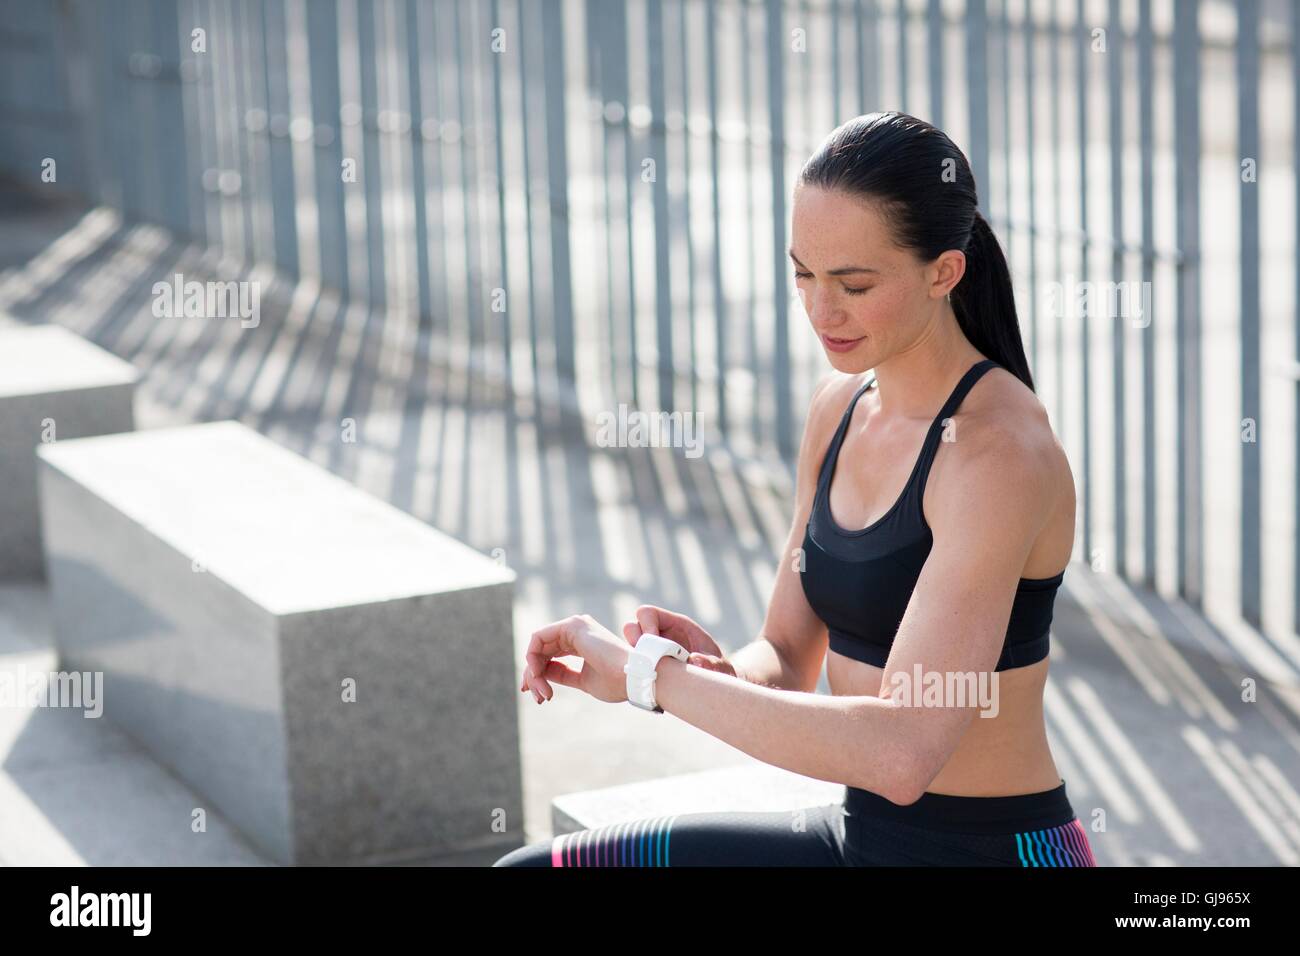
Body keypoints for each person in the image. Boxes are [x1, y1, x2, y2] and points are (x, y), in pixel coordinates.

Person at [494, 111, 1096, 867]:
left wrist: (656, 681)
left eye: (853, 284)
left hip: (993, 853)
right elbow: (785, 652)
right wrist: (713, 671)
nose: (820, 311)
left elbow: (901, 752)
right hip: (857, 838)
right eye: (803, 274)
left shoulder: (997, 453)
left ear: (943, 271)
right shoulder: (838, 409)